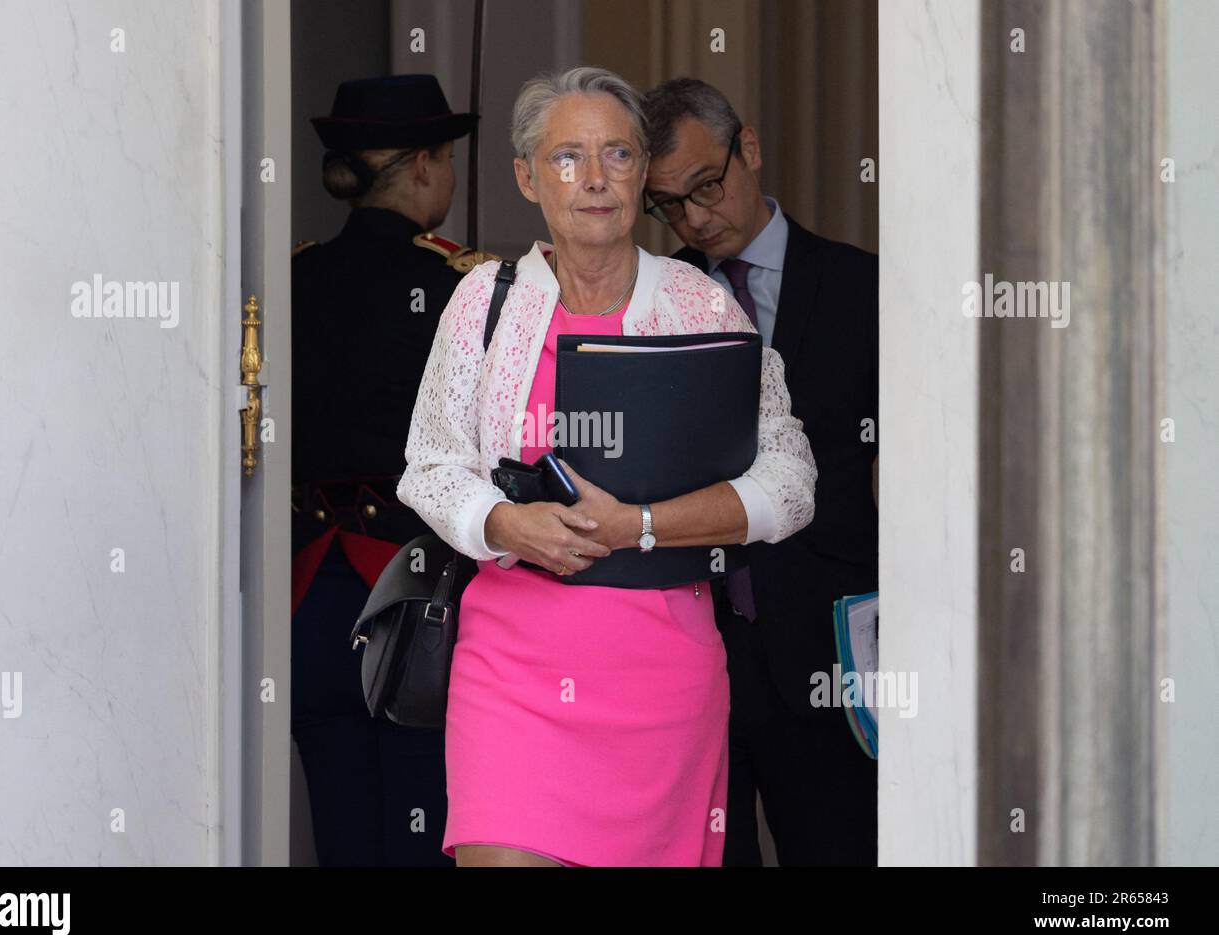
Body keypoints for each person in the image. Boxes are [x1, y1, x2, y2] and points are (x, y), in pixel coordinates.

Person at [396, 66, 817, 867]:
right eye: (567, 159)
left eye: (619, 156)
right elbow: (430, 466)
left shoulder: (698, 303)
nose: (594, 180)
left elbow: (790, 483)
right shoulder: (486, 298)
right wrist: (500, 521)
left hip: (661, 669)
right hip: (512, 666)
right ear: (527, 177)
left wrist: (642, 527)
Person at [641, 77, 879, 865]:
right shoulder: (654, 302)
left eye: (706, 186)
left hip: (829, 642)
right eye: (668, 204)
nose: (694, 217)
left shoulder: (866, 290)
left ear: (749, 149)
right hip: (690, 649)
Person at [291, 74, 493, 866]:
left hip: (313, 600)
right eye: (446, 159)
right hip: (418, 601)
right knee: (423, 827)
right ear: (421, 164)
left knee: (343, 837)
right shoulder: (457, 285)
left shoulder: (296, 276)